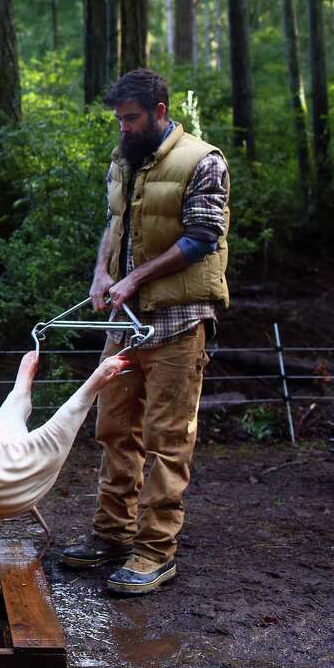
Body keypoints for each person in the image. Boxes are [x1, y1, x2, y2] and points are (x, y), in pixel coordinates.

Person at [60, 68, 231, 595]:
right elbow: (115, 223)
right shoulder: (124, 157)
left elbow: (203, 236)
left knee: (166, 440)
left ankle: (156, 550)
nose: (123, 129)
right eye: (118, 120)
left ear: (159, 112)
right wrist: (102, 273)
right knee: (113, 430)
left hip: (178, 323)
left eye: (131, 120)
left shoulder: (204, 161)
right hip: (125, 324)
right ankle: (111, 534)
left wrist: (136, 276)